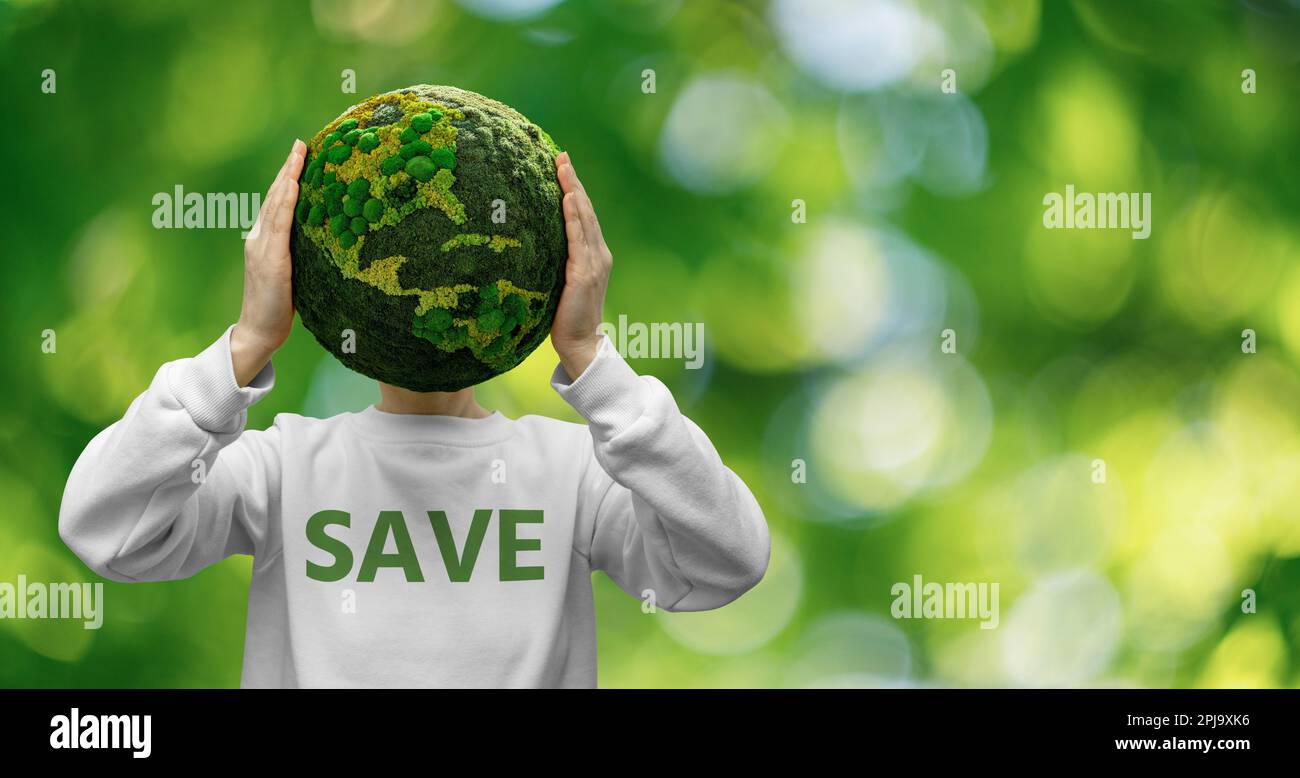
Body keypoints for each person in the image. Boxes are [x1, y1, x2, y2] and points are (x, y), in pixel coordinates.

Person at [58, 140, 770, 688]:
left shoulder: (573, 473)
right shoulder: (281, 469)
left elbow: (726, 560)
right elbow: (106, 527)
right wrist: (244, 345)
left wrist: (592, 359)